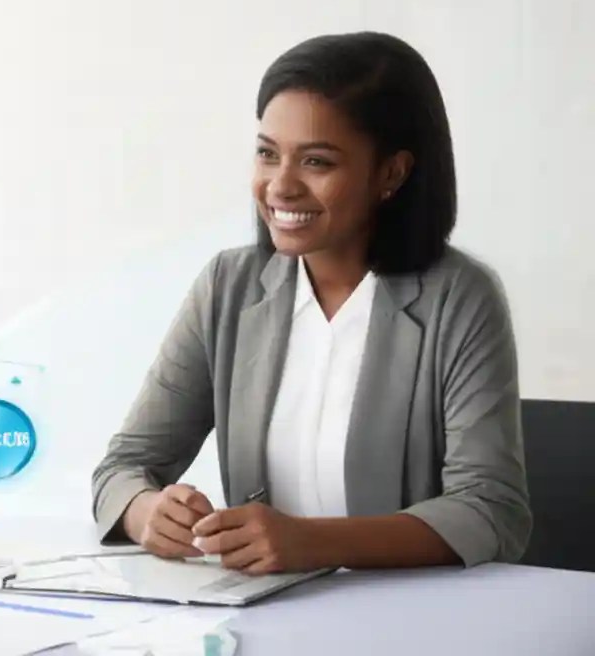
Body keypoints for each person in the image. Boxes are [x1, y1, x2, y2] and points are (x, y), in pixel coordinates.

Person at [91, 31, 531, 575]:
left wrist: (316, 543)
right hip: (263, 620)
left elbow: (491, 509)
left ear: (391, 173)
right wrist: (145, 512)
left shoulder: (459, 299)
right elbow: (124, 466)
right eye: (267, 154)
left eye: (317, 162)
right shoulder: (228, 285)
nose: (281, 186)